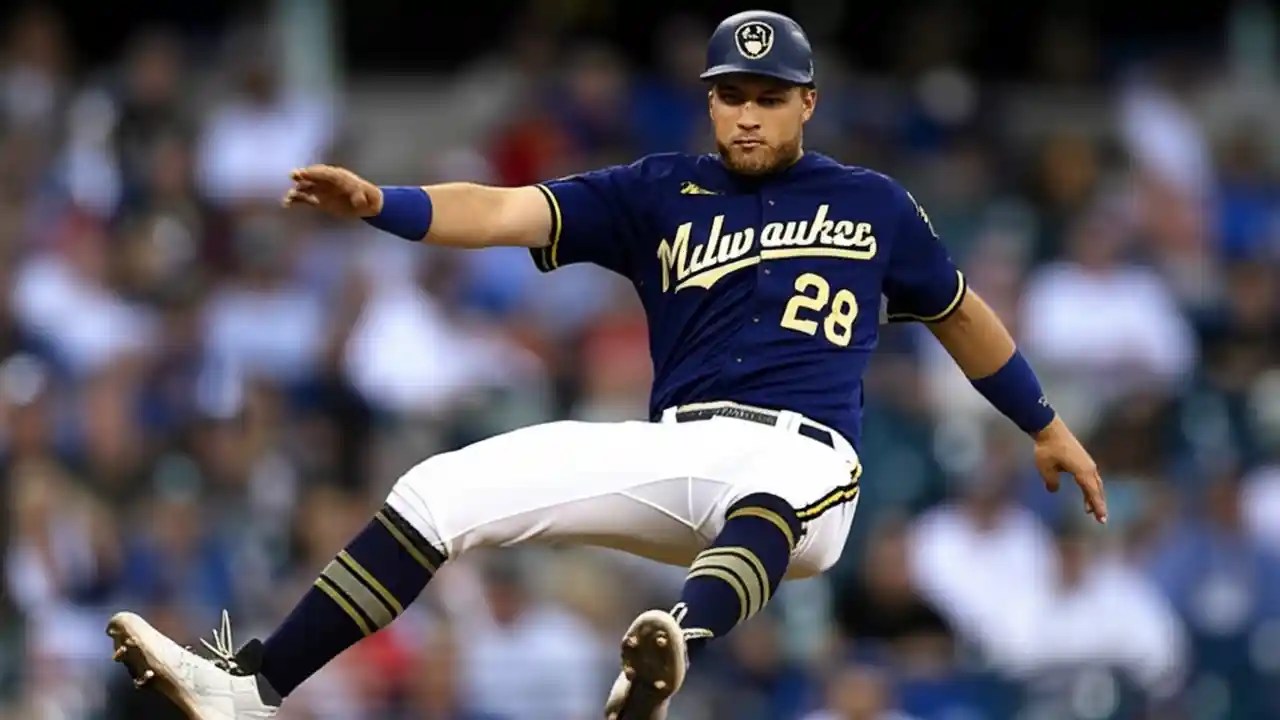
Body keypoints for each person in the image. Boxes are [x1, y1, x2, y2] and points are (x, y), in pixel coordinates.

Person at [104, 10, 1107, 720]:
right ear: (708, 105)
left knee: (775, 486)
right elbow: (508, 210)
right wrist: (386, 204)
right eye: (729, 97)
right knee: (437, 489)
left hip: (813, 470)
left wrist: (1043, 423)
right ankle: (252, 689)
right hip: (679, 453)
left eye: (767, 96)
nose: (747, 114)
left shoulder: (873, 203)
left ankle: (668, 651)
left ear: (807, 103)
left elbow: (958, 311)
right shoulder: (655, 191)